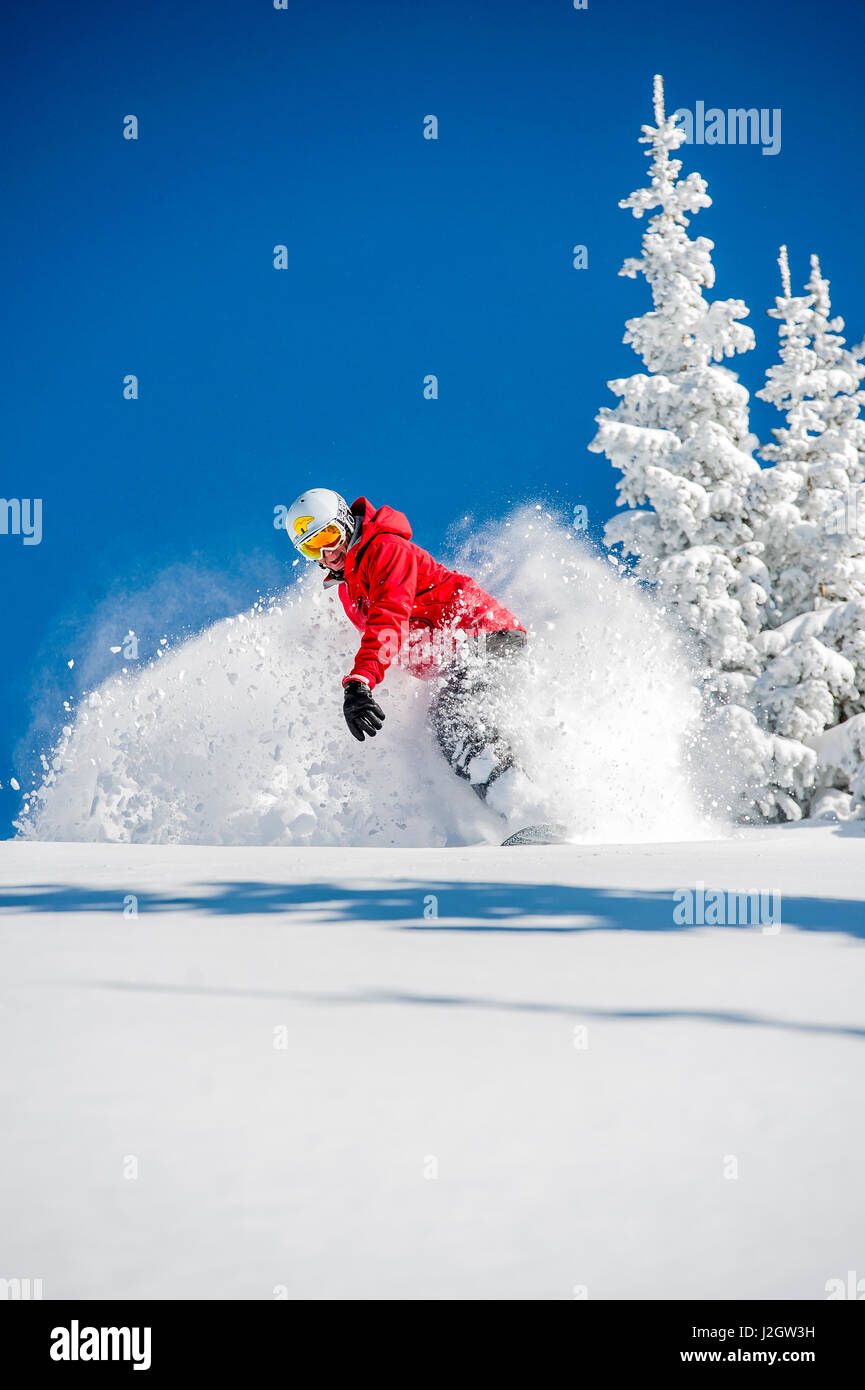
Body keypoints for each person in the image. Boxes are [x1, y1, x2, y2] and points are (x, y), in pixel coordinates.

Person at [286, 488, 532, 813]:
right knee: (446, 729)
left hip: (486, 636)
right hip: (462, 654)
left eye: (330, 535)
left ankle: (524, 806)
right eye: (312, 547)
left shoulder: (386, 549)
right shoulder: (349, 589)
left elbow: (389, 619)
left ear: (346, 521)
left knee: (455, 718)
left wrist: (361, 680)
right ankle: (513, 814)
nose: (327, 553)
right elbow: (394, 640)